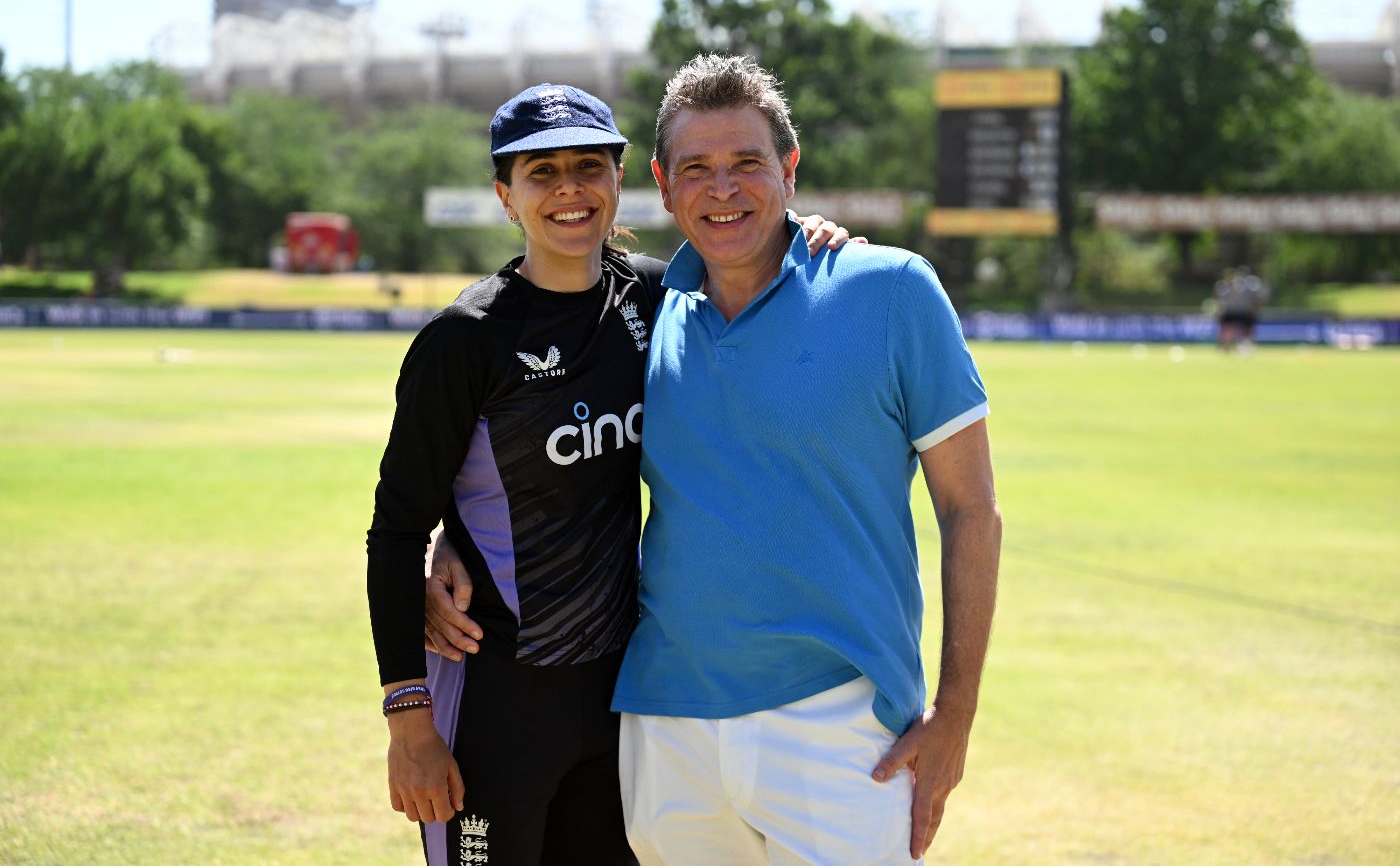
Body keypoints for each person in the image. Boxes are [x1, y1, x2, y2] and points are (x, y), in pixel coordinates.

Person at [431, 55, 1002, 864]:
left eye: (747, 164)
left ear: (790, 169)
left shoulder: (893, 290)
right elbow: (540, 450)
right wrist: (449, 539)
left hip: (841, 722)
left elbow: (971, 509)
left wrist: (956, 713)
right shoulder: (650, 310)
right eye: (696, 169)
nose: (722, 189)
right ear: (663, 187)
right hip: (667, 725)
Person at [366, 81, 853, 866]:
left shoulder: (659, 297)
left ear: (618, 180)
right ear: (505, 194)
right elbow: (394, 531)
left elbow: (752, 253)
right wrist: (408, 722)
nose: (568, 190)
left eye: (588, 166)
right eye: (541, 172)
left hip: (621, 699)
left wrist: (811, 233)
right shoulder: (465, 339)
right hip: (496, 700)